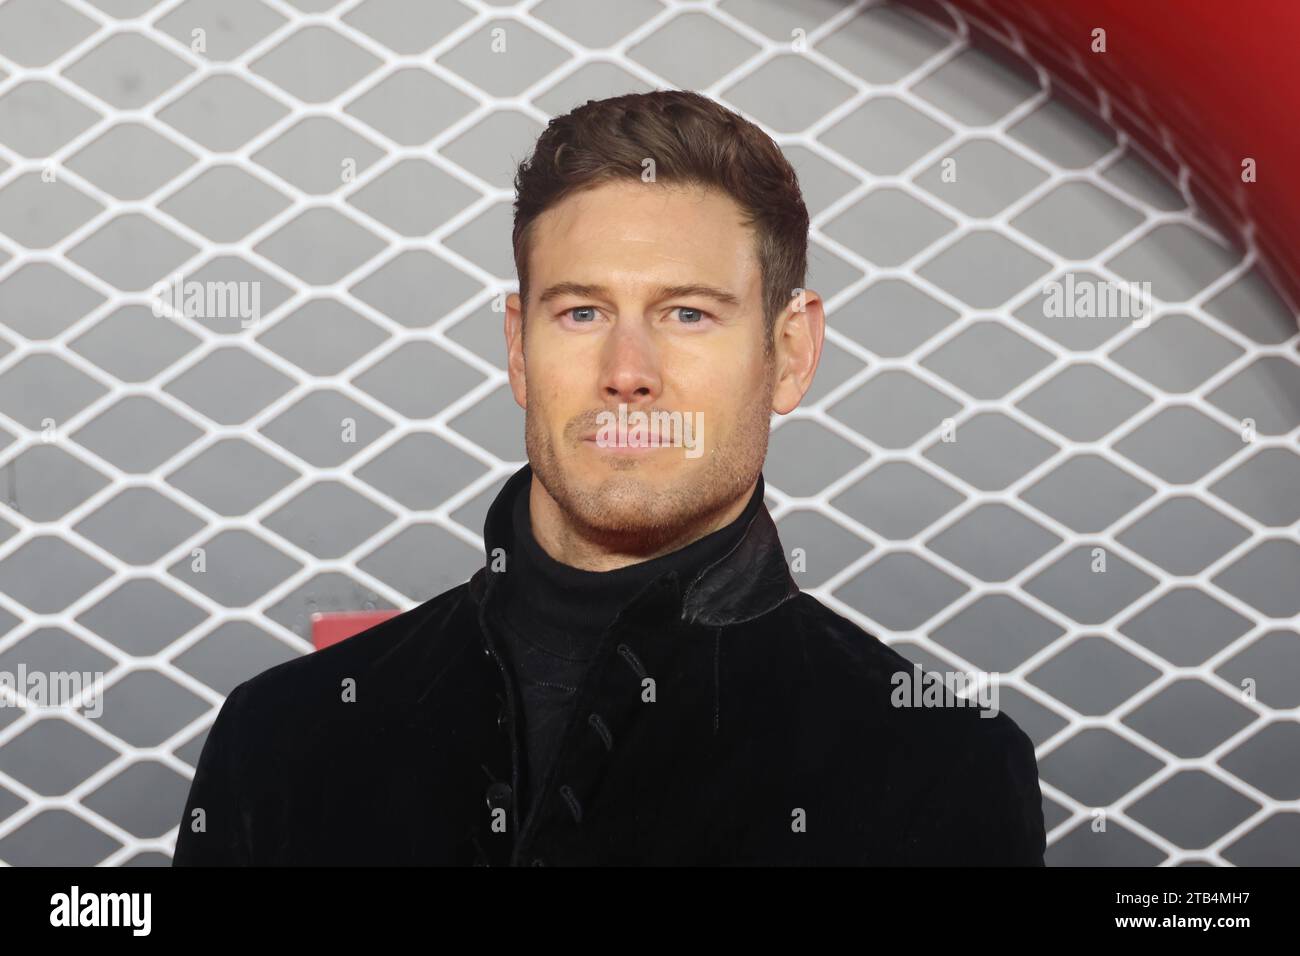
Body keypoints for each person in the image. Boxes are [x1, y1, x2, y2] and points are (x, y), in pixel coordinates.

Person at [173, 89, 1045, 866]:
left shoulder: (941, 769)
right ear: (518, 347)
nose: (628, 370)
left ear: (789, 353)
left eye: (689, 313)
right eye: (582, 311)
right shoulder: (285, 740)